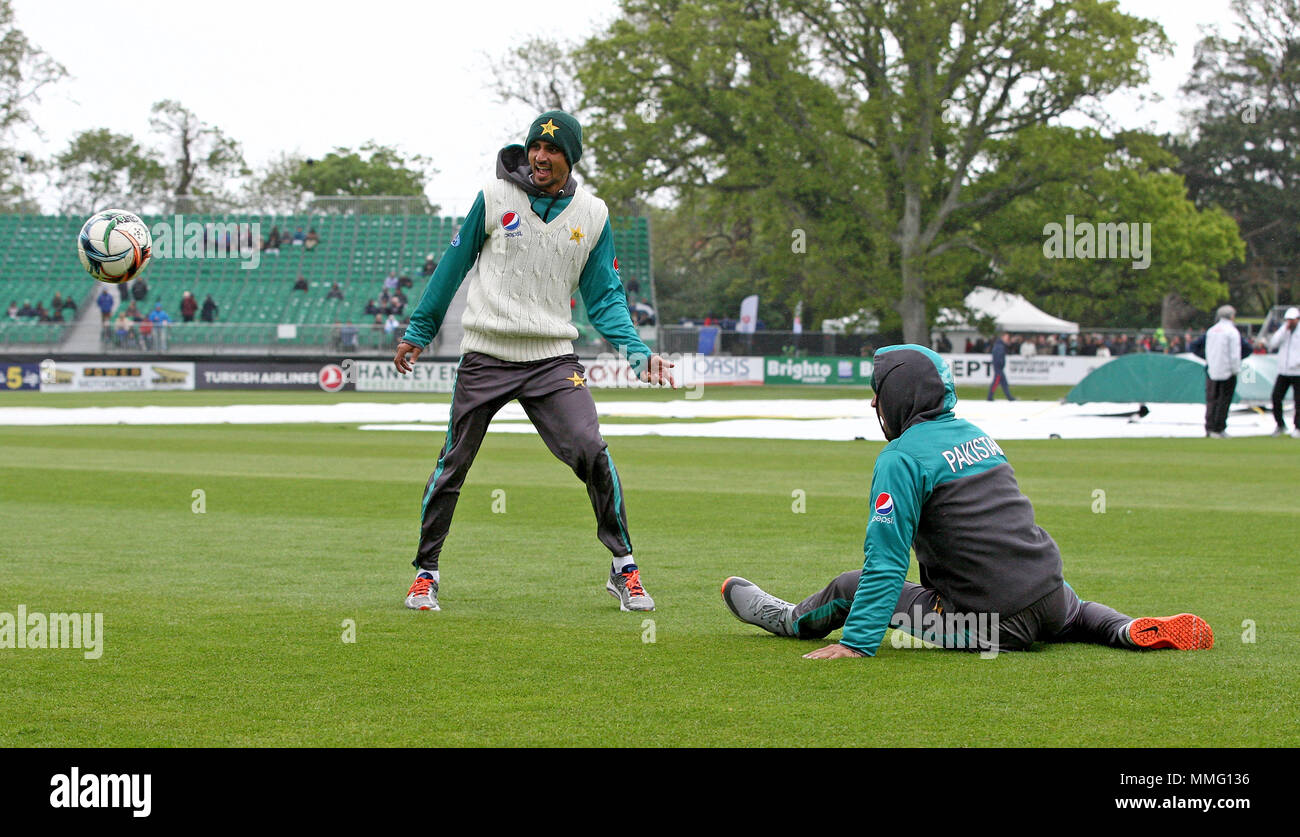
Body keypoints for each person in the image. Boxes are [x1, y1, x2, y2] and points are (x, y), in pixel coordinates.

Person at [722, 344, 1214, 658]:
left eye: (879, 392)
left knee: (849, 586)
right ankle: (1124, 629)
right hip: (1048, 589)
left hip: (991, 621)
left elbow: (887, 561)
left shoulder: (900, 458)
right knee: (1076, 612)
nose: (874, 404)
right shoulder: (978, 435)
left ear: (900, 394)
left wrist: (856, 644)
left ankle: (787, 619)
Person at [393, 109, 676, 614]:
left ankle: (623, 568)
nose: (540, 158)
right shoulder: (495, 196)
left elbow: (605, 296)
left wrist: (636, 352)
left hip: (551, 359)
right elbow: (451, 266)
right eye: (535, 149)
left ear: (571, 158)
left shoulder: (593, 214)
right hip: (486, 353)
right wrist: (420, 329)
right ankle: (425, 574)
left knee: (591, 449)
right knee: (453, 462)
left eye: (552, 150)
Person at [1190, 305, 1253, 438]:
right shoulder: (1232, 331)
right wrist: (1236, 369)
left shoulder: (1211, 331)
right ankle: (1219, 428)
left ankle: (1209, 427)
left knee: (1212, 399)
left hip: (1212, 369)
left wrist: (1209, 358)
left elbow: (1195, 346)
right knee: (1224, 400)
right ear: (1231, 316)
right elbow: (1236, 353)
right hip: (1227, 371)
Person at [1268, 306, 1300, 438]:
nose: (1290, 322)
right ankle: (1280, 424)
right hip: (1283, 371)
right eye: (1288, 320)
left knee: (1298, 401)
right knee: (1276, 397)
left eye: (1292, 320)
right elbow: (1273, 344)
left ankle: (1298, 427)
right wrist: (1283, 331)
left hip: (1298, 372)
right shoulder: (1284, 330)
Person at [987, 332, 1014, 401]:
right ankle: (990, 397)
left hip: (999, 367)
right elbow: (998, 357)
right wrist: (1000, 364)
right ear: (1003, 337)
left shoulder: (1000, 345)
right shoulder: (999, 346)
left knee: (1003, 383)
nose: (1007, 339)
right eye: (1006, 337)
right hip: (998, 367)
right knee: (997, 382)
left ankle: (1009, 397)